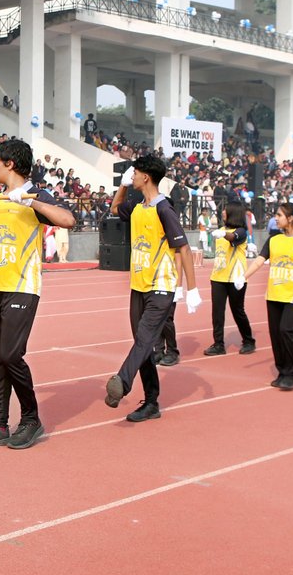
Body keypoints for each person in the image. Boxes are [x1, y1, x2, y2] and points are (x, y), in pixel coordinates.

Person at [0, 139, 76, 450]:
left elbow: (68, 220)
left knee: (11, 355)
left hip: (22, 286)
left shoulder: (35, 195)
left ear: (10, 164)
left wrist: (30, 203)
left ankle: (31, 419)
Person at [104, 156, 201, 421]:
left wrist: (191, 289)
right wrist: (122, 187)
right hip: (139, 284)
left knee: (145, 338)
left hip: (162, 284)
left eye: (133, 173)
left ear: (146, 177)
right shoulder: (137, 208)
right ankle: (151, 402)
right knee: (142, 344)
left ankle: (122, 382)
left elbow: (182, 247)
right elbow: (115, 209)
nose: (131, 176)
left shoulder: (163, 209)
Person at [243, 203, 293, 391]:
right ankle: (282, 371)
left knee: (286, 330)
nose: (275, 218)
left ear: (291, 218)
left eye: (279, 215)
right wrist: (242, 277)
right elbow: (260, 261)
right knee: (276, 334)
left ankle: (291, 373)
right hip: (275, 294)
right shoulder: (274, 239)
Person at [204, 202, 256, 356]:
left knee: (238, 310)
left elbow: (233, 237)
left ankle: (248, 340)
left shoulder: (241, 231)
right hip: (218, 277)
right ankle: (218, 344)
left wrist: (224, 235)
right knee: (217, 312)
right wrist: (221, 233)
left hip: (236, 278)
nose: (223, 212)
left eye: (226, 210)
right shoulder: (220, 230)